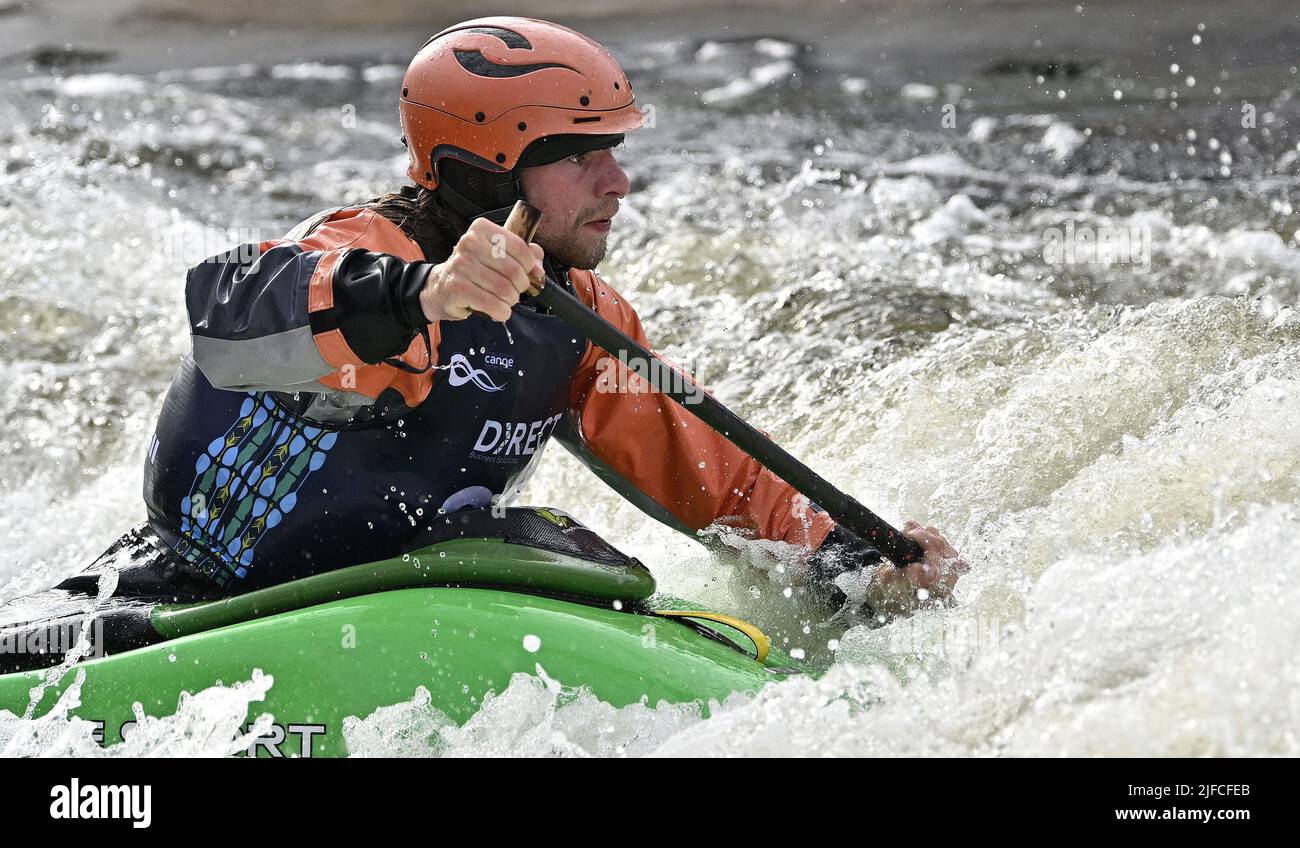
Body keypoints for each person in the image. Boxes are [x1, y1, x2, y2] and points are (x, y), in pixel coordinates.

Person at [128, 16, 966, 616]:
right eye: (578, 157)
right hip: (194, 594)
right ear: (487, 173)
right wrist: (424, 294)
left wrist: (850, 559)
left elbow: (718, 474)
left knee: (577, 559)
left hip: (399, 587)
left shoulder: (579, 318)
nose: (617, 183)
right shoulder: (362, 252)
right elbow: (225, 309)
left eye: (614, 152)